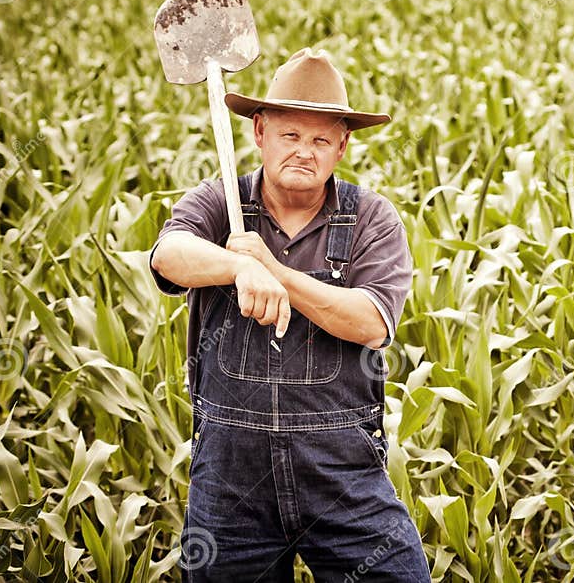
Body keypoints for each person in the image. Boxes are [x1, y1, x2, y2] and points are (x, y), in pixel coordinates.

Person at [149, 48, 430, 581]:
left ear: (342, 146)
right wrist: (238, 267)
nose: (305, 151)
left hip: (341, 476)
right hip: (232, 483)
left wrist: (275, 272)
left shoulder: (372, 218)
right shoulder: (218, 201)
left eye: (321, 139)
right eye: (290, 135)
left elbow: (371, 321)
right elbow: (169, 255)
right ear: (259, 132)